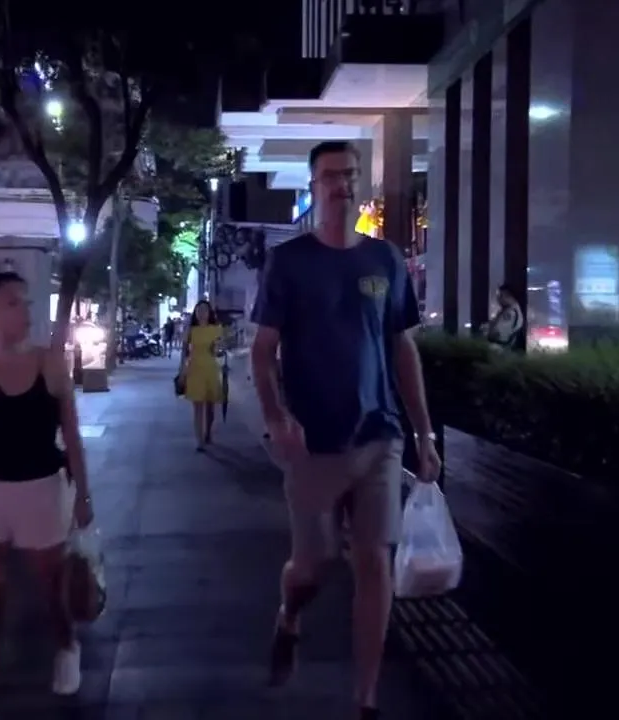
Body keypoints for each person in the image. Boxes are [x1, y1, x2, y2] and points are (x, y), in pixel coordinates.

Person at [250, 140, 442, 720]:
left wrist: (424, 434)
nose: (343, 185)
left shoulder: (385, 259)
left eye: (351, 174)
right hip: (313, 442)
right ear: (314, 187)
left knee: (373, 560)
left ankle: (366, 699)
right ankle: (289, 615)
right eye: (331, 176)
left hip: (378, 435)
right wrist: (277, 416)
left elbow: (402, 347)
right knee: (313, 564)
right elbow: (262, 350)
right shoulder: (290, 262)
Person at [0, 271, 94, 720]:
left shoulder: (50, 364)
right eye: (12, 302)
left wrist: (83, 495)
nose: (24, 311)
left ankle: (66, 643)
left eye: (26, 302)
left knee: (50, 588)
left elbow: (72, 434)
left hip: (41, 489)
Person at [179, 300, 224, 451]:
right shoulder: (191, 330)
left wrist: (218, 348)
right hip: (195, 369)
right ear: (195, 313)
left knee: (210, 407)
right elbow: (184, 352)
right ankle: (199, 440)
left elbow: (219, 350)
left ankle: (208, 432)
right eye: (199, 310)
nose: (202, 313)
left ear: (209, 312)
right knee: (197, 406)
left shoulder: (216, 329)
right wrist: (182, 370)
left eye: (204, 310)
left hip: (210, 368)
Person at [485, 284, 525, 350]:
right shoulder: (507, 311)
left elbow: (497, 334)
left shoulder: (511, 313)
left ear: (509, 296)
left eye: (500, 296)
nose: (498, 299)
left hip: (499, 349)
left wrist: (485, 332)